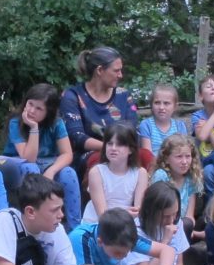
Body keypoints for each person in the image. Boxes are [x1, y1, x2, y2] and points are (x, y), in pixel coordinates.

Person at [5, 83, 82, 225]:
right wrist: (34, 128)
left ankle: (74, 226)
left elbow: (67, 154)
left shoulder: (56, 123)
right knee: (31, 170)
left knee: (68, 172)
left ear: (49, 112)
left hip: (48, 163)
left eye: (39, 108)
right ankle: (33, 222)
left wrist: (51, 171)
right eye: (30, 104)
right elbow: (28, 158)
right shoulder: (16, 122)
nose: (32, 110)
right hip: (19, 163)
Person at [60, 47, 138, 176]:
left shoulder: (124, 95)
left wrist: (120, 150)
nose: (120, 75)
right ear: (100, 70)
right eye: (116, 71)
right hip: (90, 154)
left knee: (146, 157)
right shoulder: (72, 96)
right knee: (101, 164)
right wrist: (111, 149)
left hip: (125, 150)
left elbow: (133, 129)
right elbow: (76, 137)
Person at [82, 123, 146, 226]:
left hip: (126, 224)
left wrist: (131, 216)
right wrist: (126, 215)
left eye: (120, 144)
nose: (113, 148)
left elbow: (138, 211)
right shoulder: (96, 172)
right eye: (110, 143)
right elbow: (102, 215)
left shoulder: (140, 173)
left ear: (131, 149)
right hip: (97, 224)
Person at [150, 132, 203, 233]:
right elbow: (156, 213)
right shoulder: (161, 176)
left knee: (195, 222)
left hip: (183, 227)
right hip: (162, 226)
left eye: (188, 156)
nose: (184, 162)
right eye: (179, 156)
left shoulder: (190, 179)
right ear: (166, 159)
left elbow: (190, 216)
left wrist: (188, 230)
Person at [138, 82, 191, 160]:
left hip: (176, 166)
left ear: (175, 106)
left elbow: (183, 152)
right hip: (153, 166)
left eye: (166, 103)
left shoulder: (179, 126)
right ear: (151, 105)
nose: (161, 107)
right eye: (157, 103)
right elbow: (147, 156)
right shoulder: (146, 125)